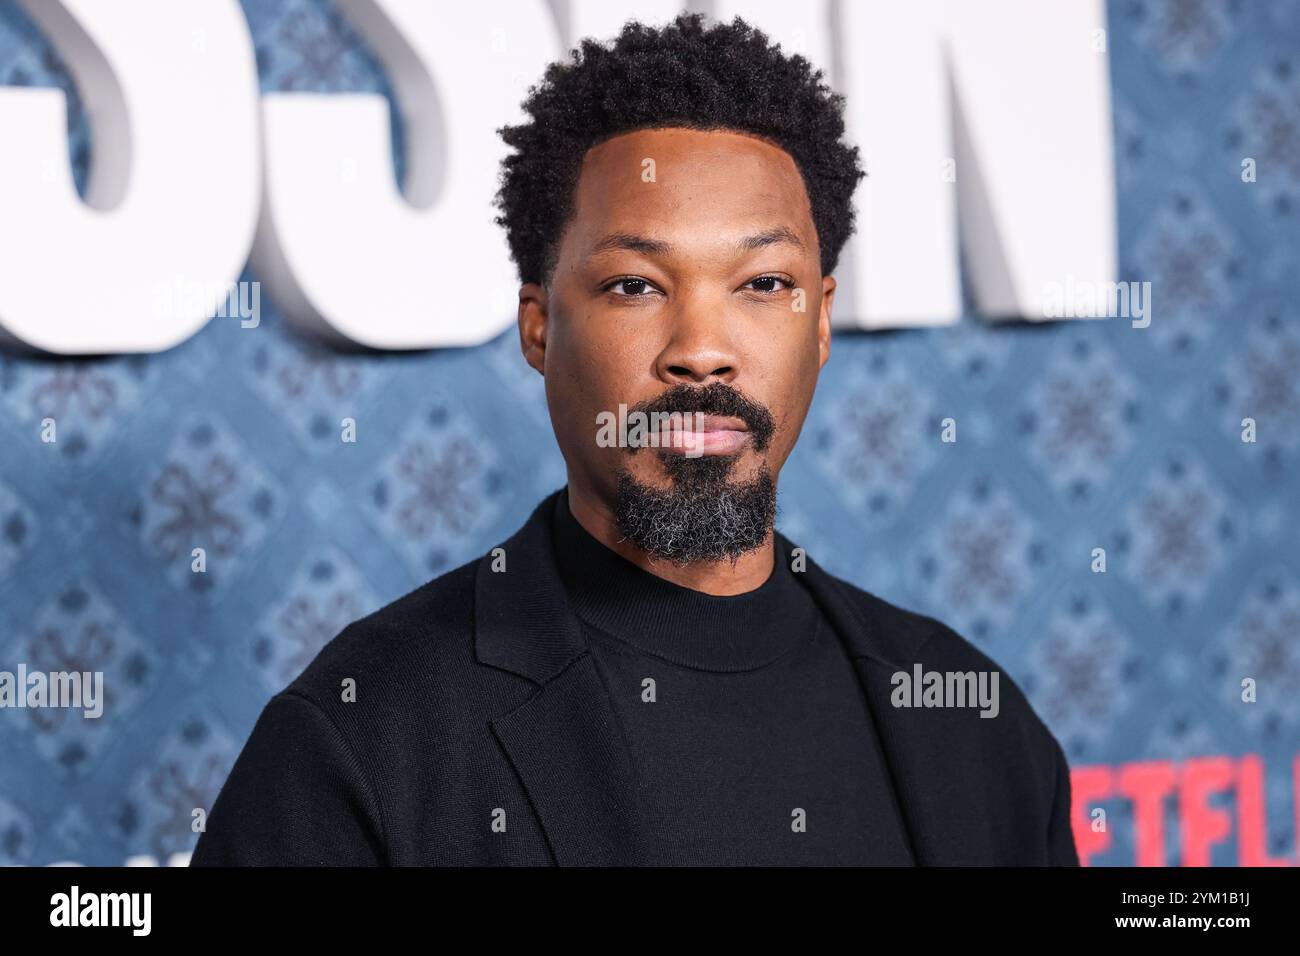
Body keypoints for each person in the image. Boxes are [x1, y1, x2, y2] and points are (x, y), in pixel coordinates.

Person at [191, 12, 1079, 866]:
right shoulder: (366, 734)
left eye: (764, 283)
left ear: (820, 322)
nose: (702, 351)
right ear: (539, 326)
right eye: (635, 286)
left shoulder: (968, 718)